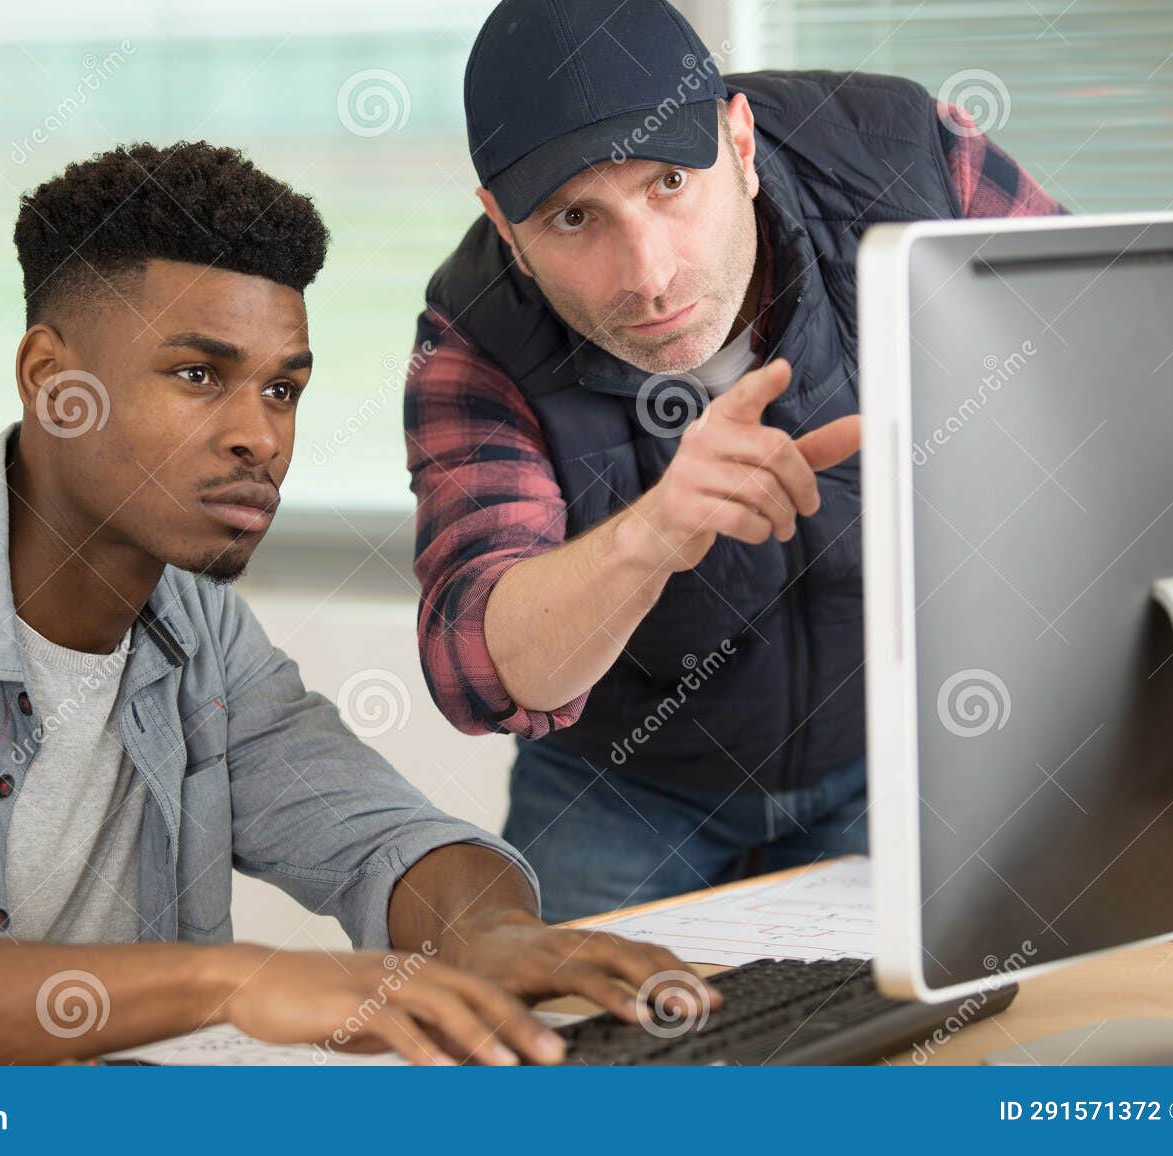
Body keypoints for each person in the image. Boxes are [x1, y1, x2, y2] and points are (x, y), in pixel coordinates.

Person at [0, 141, 717, 1066]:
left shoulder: (199, 633)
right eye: (198, 375)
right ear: (48, 378)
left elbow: (378, 835)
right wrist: (229, 981)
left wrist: (487, 935)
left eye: (283, 389)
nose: (261, 438)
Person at [405, 0, 1066, 922]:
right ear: (506, 229)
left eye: (671, 181)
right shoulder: (476, 336)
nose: (648, 273)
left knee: (902, 1048)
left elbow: (1102, 365)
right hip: (625, 788)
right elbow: (480, 666)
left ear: (740, 142)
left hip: (889, 745)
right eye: (573, 219)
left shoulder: (906, 156)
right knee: (580, 1057)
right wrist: (657, 531)